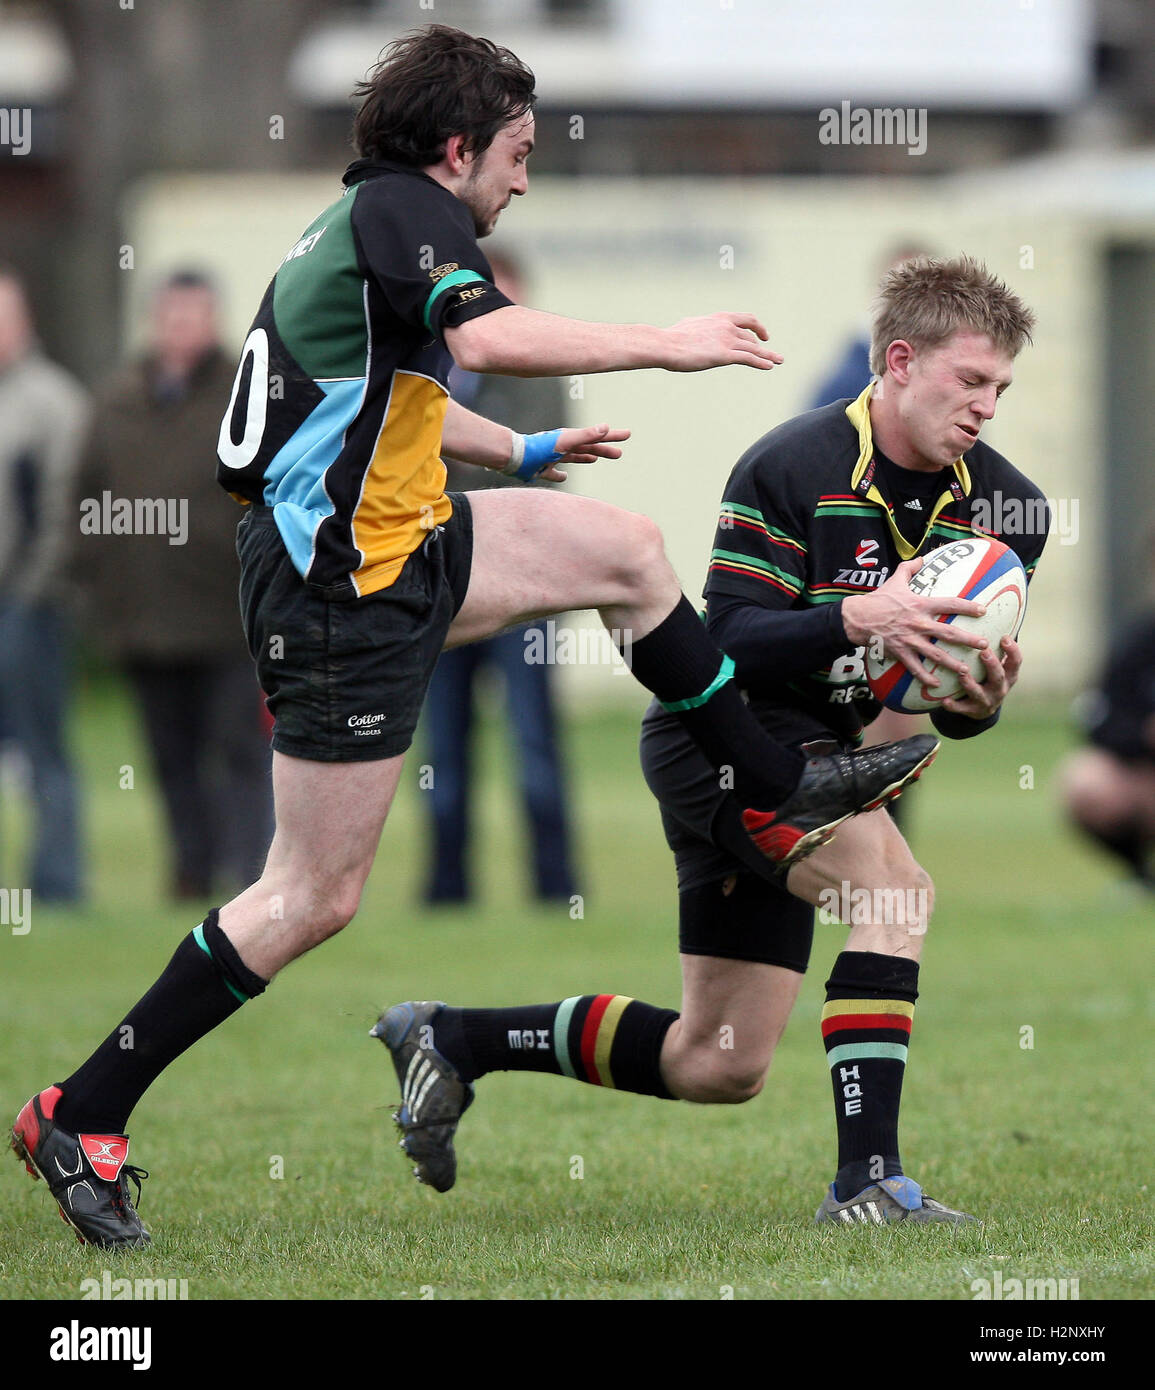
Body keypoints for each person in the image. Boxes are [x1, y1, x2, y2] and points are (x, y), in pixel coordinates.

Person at [10, 25, 937, 1248]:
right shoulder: (406, 210)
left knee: (622, 549)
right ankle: (81, 1108)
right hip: (338, 587)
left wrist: (533, 453)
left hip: (401, 538)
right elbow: (488, 341)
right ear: (457, 148)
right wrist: (669, 342)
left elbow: (398, 401)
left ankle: (777, 782)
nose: (525, 175)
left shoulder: (371, 223)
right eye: (518, 149)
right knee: (309, 893)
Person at [380, 256, 1048, 1223]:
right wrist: (857, 617)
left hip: (825, 747)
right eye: (971, 381)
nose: (988, 407)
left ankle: (453, 1038)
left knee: (719, 1061)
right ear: (900, 361)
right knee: (893, 889)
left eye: (1001, 389)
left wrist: (977, 696)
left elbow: (950, 704)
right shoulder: (794, 464)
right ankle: (866, 1186)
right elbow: (721, 637)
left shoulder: (1009, 508)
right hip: (723, 740)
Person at [78, 271, 275, 899]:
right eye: (172, 316)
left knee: (240, 750)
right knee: (170, 758)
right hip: (144, 617)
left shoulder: (243, 395)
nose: (182, 328)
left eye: (194, 316)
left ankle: (250, 876)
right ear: (155, 321)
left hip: (229, 617)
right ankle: (191, 871)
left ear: (213, 320)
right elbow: (84, 497)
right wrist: (95, 575)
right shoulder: (116, 401)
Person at [422, 249, 578, 905]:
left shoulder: (542, 374)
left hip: (525, 589)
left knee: (534, 748)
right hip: (440, 584)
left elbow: (524, 465)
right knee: (442, 758)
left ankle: (554, 890)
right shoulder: (427, 373)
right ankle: (446, 891)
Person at [0, 268, 89, 904]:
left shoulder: (52, 401)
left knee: (40, 746)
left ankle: (57, 885)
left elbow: (65, 512)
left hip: (28, 604)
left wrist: (34, 590)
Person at [1059, 606, 1155, 888]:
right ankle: (1142, 876)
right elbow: (1099, 717)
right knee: (1088, 781)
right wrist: (1144, 734)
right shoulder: (1140, 641)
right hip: (1145, 768)